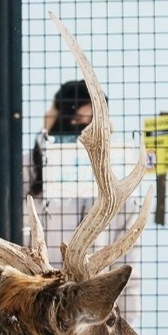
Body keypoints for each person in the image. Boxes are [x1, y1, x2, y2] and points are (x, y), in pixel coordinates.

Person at [25, 78, 147, 321]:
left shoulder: (117, 175)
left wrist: (124, 317)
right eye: (77, 120)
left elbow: (126, 251)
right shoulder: (30, 167)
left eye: (93, 121)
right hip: (38, 304)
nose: (83, 130)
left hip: (92, 311)